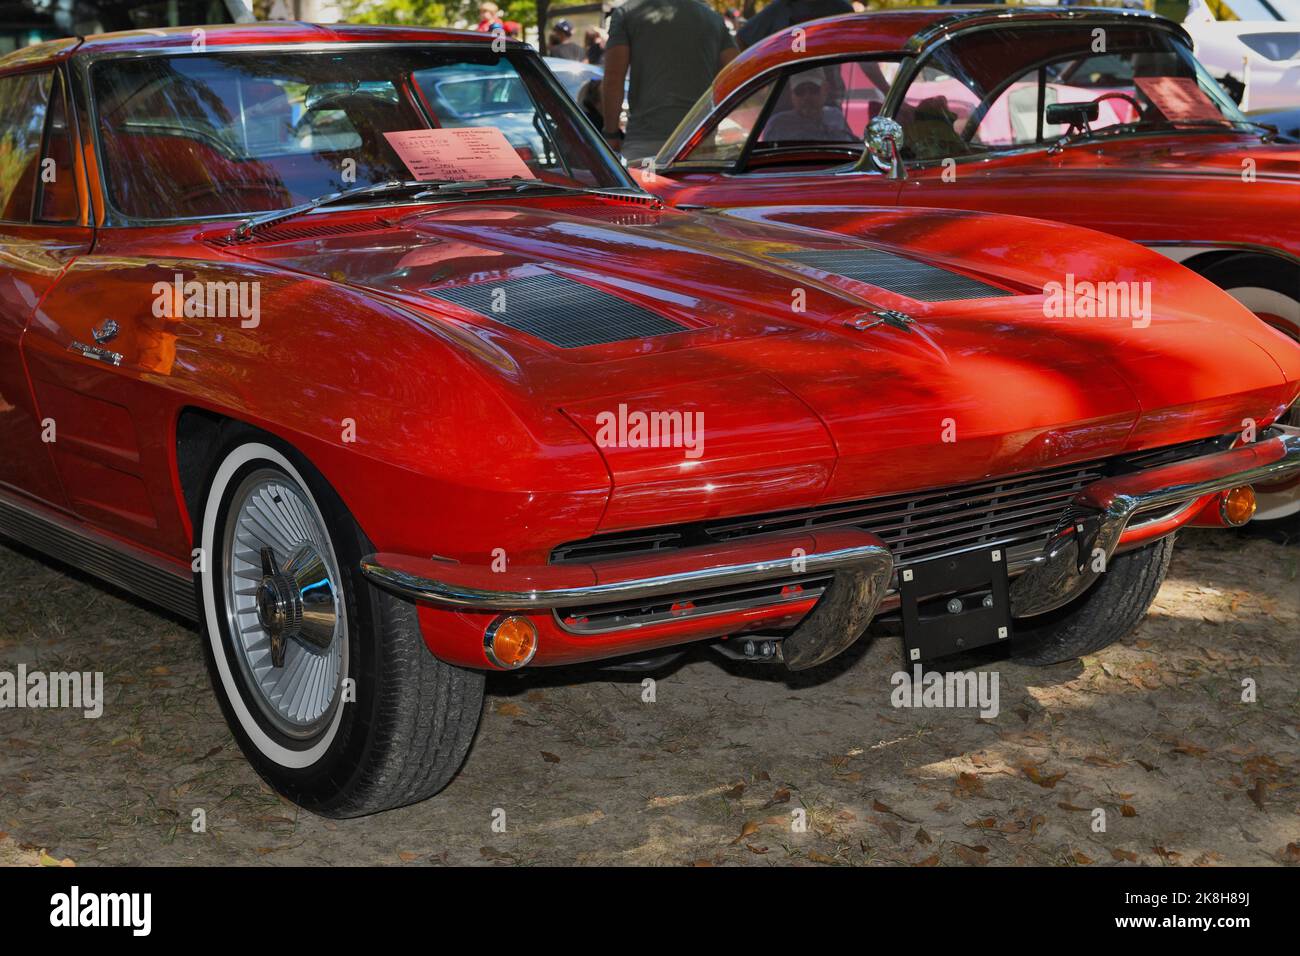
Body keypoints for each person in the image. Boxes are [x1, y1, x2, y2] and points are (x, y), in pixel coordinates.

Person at [602, 0, 738, 162]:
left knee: (644, 187)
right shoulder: (712, 19)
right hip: (700, 143)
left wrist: (611, 134)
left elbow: (613, 78)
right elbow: (736, 73)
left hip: (646, 143)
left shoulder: (627, 13)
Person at [761, 71, 854, 142]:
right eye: (800, 91)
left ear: (825, 89)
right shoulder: (777, 125)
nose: (807, 97)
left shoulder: (835, 116)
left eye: (813, 89)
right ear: (792, 95)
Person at [736, 0, 853, 50]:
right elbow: (742, 38)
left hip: (832, 90)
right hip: (787, 89)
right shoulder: (780, 8)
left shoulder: (841, 9)